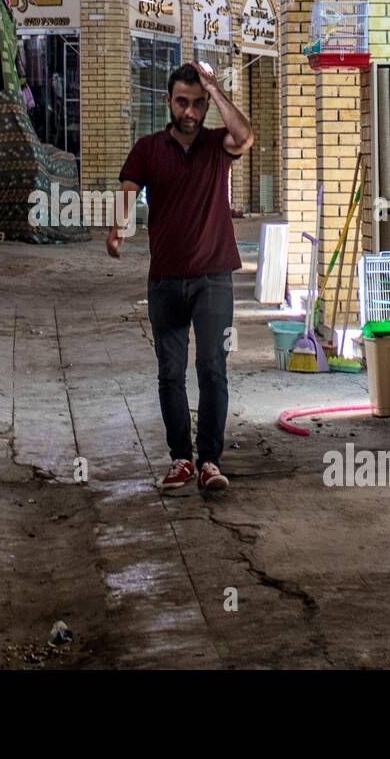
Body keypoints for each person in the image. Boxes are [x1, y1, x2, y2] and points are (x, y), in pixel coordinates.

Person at [108, 61, 254, 492]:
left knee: (212, 367)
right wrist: (118, 229)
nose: (189, 112)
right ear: (167, 102)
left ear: (207, 104)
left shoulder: (216, 145)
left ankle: (209, 460)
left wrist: (216, 87)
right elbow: (129, 189)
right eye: (181, 102)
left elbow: (244, 136)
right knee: (170, 371)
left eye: (197, 103)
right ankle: (180, 459)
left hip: (213, 278)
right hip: (166, 281)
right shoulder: (148, 148)